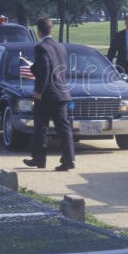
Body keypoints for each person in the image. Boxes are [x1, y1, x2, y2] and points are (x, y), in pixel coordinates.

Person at [24, 17, 76, 171]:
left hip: (47, 94)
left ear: (39, 31)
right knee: (64, 128)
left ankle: (39, 158)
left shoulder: (41, 47)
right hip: (62, 92)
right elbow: (56, 68)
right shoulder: (60, 47)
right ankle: (69, 159)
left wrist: (38, 91)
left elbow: (45, 71)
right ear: (51, 29)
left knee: (41, 126)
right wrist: (34, 67)